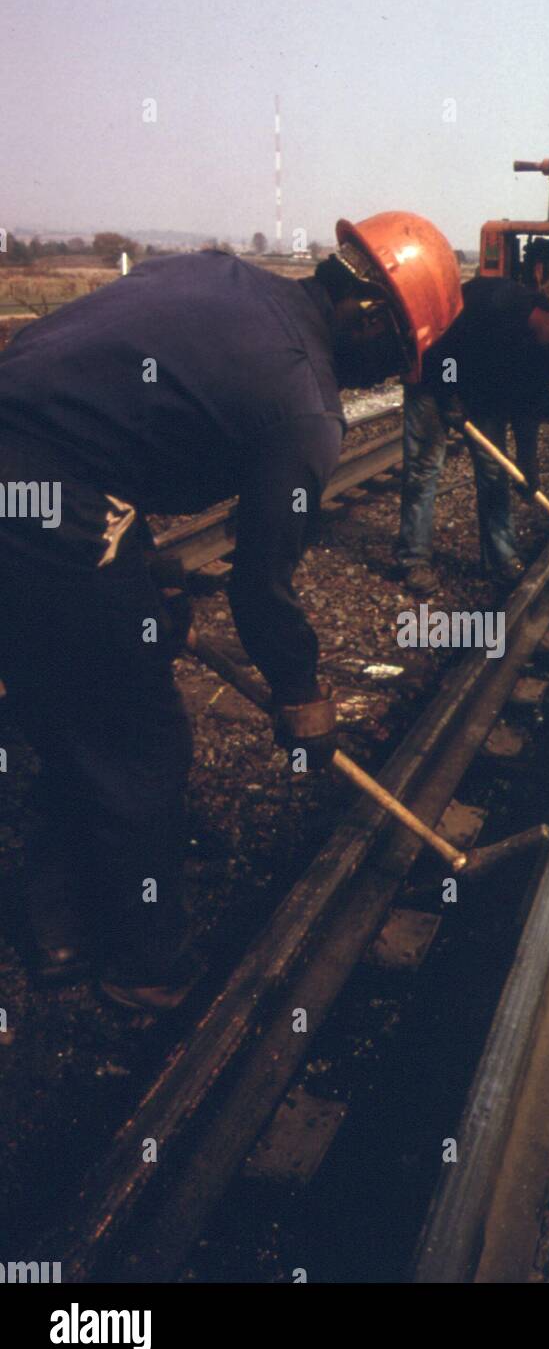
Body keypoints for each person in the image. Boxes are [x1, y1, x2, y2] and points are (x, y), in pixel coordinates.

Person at [0, 212, 462, 1009]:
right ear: (368, 316)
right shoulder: (305, 405)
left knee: (65, 705)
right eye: (398, 352)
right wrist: (299, 691)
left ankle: (59, 931)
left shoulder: (214, 275)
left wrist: (140, 568)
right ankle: (144, 968)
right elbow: (261, 583)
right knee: (140, 741)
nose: (384, 372)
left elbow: (98, 415)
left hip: (30, 466)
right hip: (47, 502)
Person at [396, 273, 549, 594]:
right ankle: (413, 559)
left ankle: (500, 558)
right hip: (432, 373)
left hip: (483, 393)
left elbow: (528, 405)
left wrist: (528, 463)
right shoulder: (492, 301)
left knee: (494, 471)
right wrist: (449, 395)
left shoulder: (547, 349)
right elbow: (440, 342)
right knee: (424, 469)